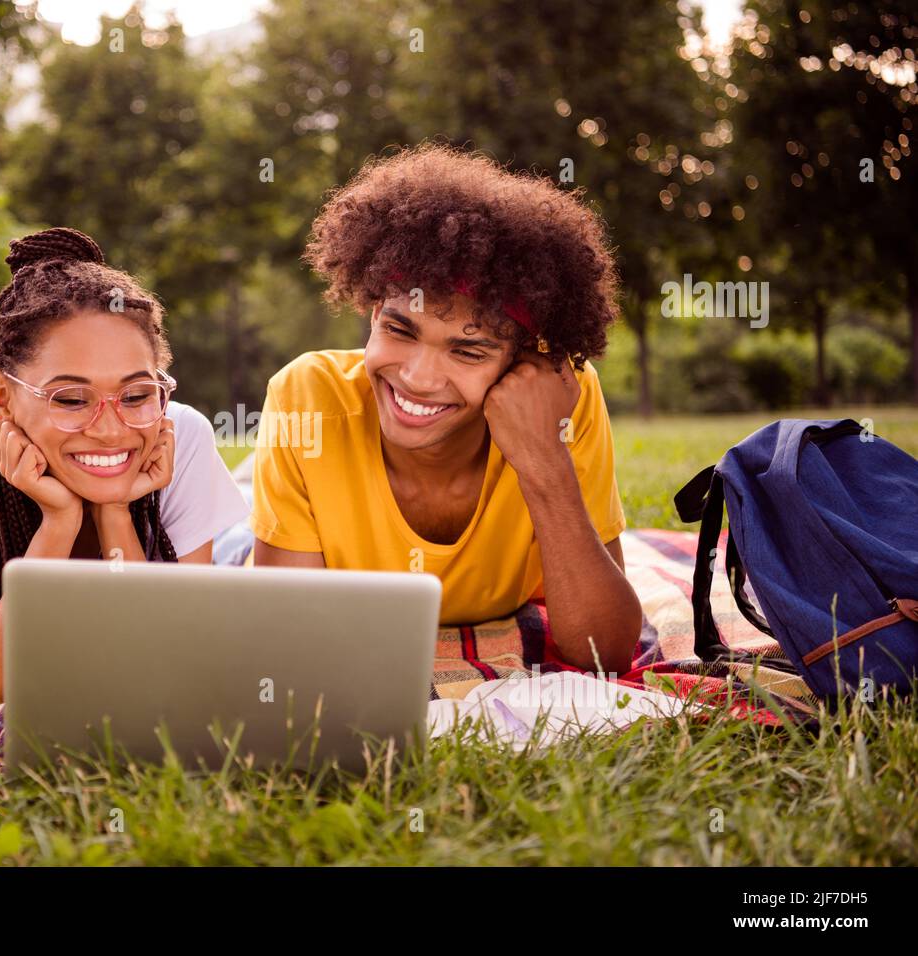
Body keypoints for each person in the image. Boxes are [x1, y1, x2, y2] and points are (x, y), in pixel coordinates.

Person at [251, 145, 642, 674]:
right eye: (398, 329)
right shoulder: (308, 395)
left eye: (468, 350)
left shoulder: (563, 400)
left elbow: (605, 655)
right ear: (371, 310)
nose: (417, 377)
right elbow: (288, 640)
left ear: (526, 362)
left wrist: (545, 460)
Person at [0, 228, 248, 716]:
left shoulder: (178, 435)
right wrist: (57, 527)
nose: (109, 430)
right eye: (72, 399)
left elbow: (166, 674)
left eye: (137, 395)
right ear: (2, 398)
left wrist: (116, 511)